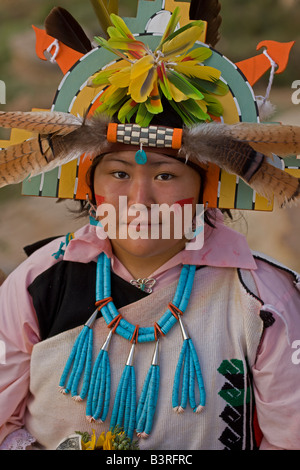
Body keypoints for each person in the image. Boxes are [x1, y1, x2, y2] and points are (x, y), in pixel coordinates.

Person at [1, 2, 300, 451]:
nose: (139, 200)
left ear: (204, 188)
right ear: (88, 185)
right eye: (118, 174)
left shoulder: (264, 298)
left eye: (165, 175)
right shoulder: (35, 283)